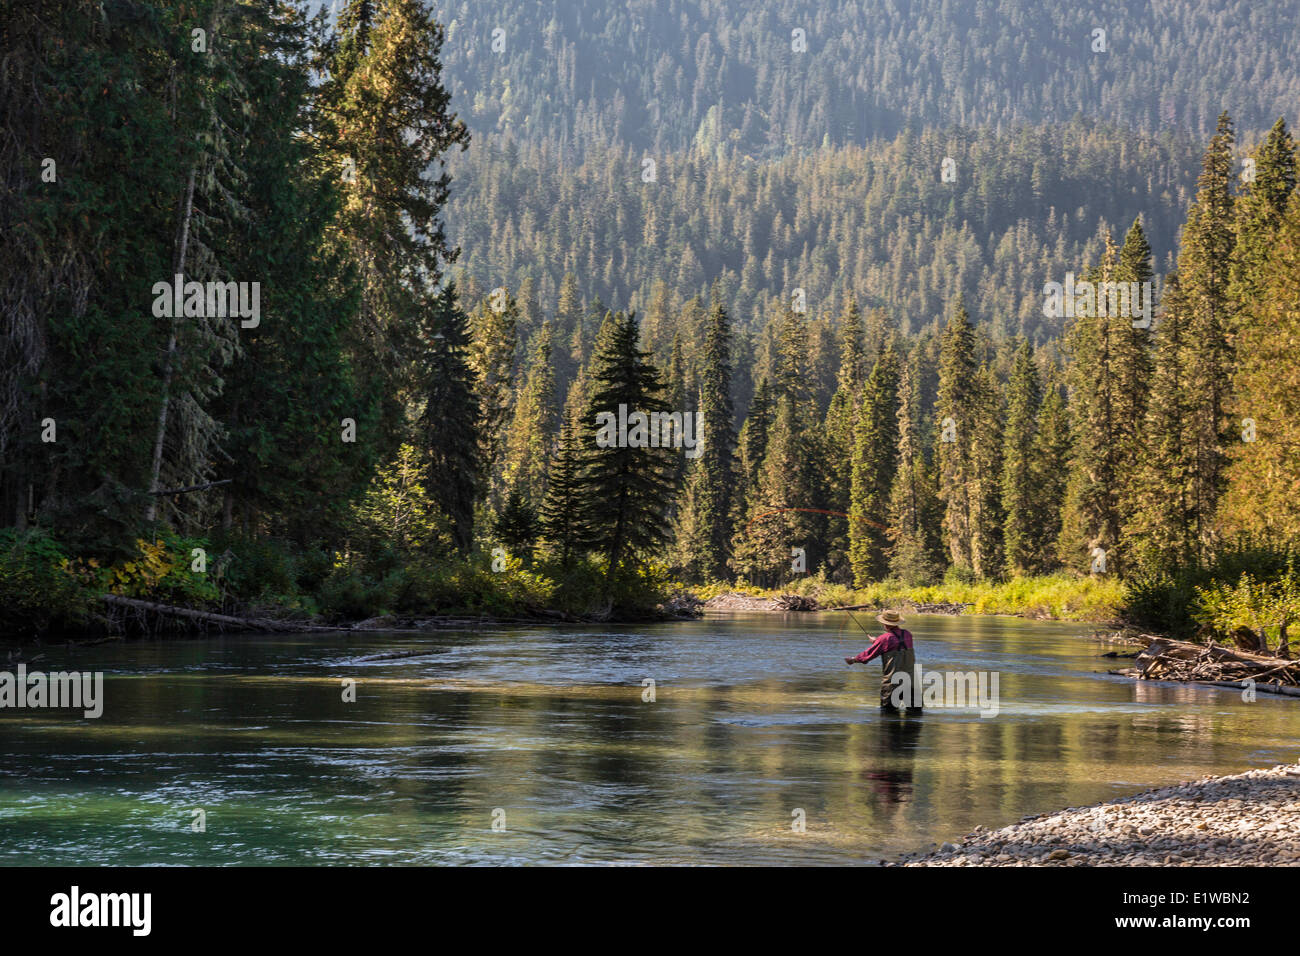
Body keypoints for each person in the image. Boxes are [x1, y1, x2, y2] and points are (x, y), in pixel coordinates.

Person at [845, 609, 922, 714]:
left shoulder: (884, 639)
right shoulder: (908, 634)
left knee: (888, 717)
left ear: (885, 623)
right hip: (912, 683)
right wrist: (877, 642)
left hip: (892, 684)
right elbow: (896, 642)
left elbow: (868, 655)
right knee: (915, 716)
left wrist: (853, 660)